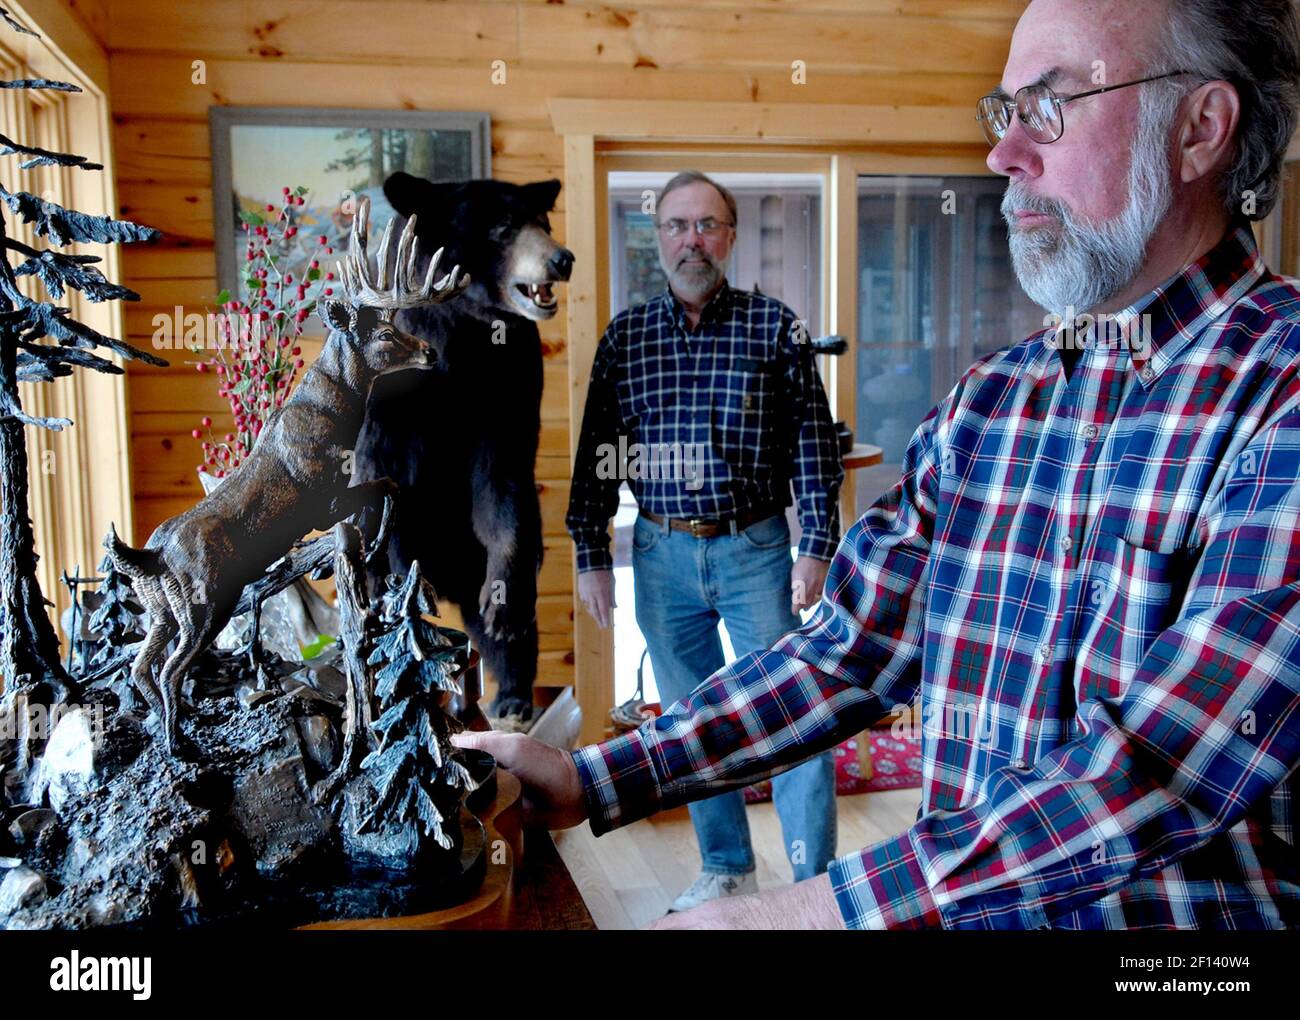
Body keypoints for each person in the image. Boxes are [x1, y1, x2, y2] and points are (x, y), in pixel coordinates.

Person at [462, 0, 1300, 929]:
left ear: (1200, 129)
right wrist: (595, 777)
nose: (1003, 155)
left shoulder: (1284, 392)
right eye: (1004, 111)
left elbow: (1159, 771)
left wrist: (795, 913)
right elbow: (847, 648)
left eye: (1052, 105)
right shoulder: (992, 403)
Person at [563, 170, 845, 911]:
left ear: (730, 235)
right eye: (678, 226)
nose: (693, 240)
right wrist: (591, 555)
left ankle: (811, 877)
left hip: (756, 551)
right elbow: (599, 452)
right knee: (691, 722)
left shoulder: (775, 328)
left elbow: (813, 447)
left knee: (792, 712)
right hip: (659, 557)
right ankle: (727, 867)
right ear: (658, 239)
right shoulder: (625, 338)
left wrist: (816, 544)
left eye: (708, 225)